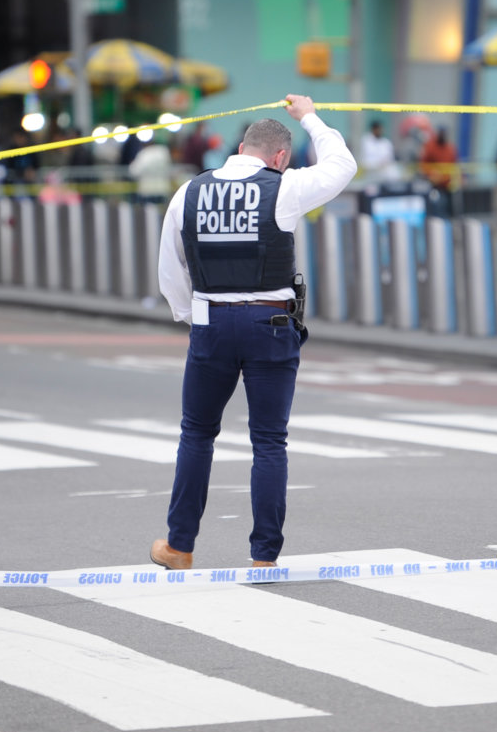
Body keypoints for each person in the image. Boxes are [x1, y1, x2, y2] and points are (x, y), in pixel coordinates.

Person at [151, 94, 357, 570]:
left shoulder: (190, 192)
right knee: (268, 441)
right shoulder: (283, 188)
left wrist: (195, 313)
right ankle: (263, 557)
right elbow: (341, 164)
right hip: (271, 322)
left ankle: (180, 547)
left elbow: (171, 270)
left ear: (241, 147)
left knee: (197, 434)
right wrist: (308, 116)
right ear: (280, 157)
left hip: (211, 324)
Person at [129, 137, 175, 204]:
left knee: (149, 212)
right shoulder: (163, 152)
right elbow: (169, 168)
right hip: (162, 189)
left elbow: (134, 171)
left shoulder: (143, 154)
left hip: (147, 191)